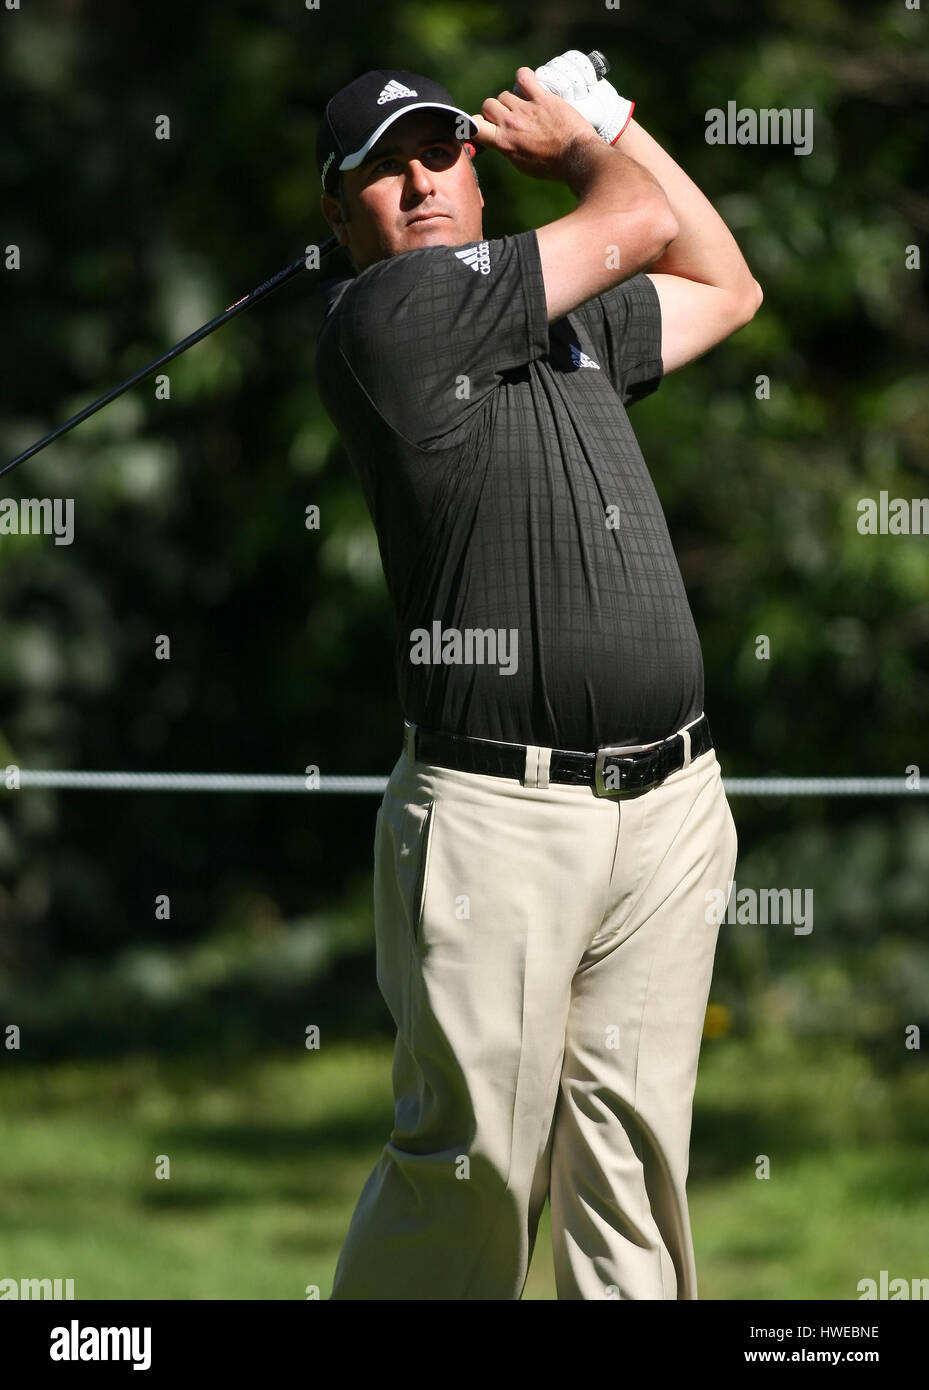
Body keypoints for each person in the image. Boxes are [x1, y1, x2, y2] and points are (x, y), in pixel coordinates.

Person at [314, 51, 760, 1300]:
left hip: (667, 807)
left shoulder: (555, 321)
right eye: (380, 168)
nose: (418, 182)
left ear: (472, 161)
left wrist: (614, 119)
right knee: (468, 1186)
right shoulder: (388, 319)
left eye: (440, 149)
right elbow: (634, 217)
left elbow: (725, 283)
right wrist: (583, 143)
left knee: (628, 1185)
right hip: (497, 822)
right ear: (338, 212)